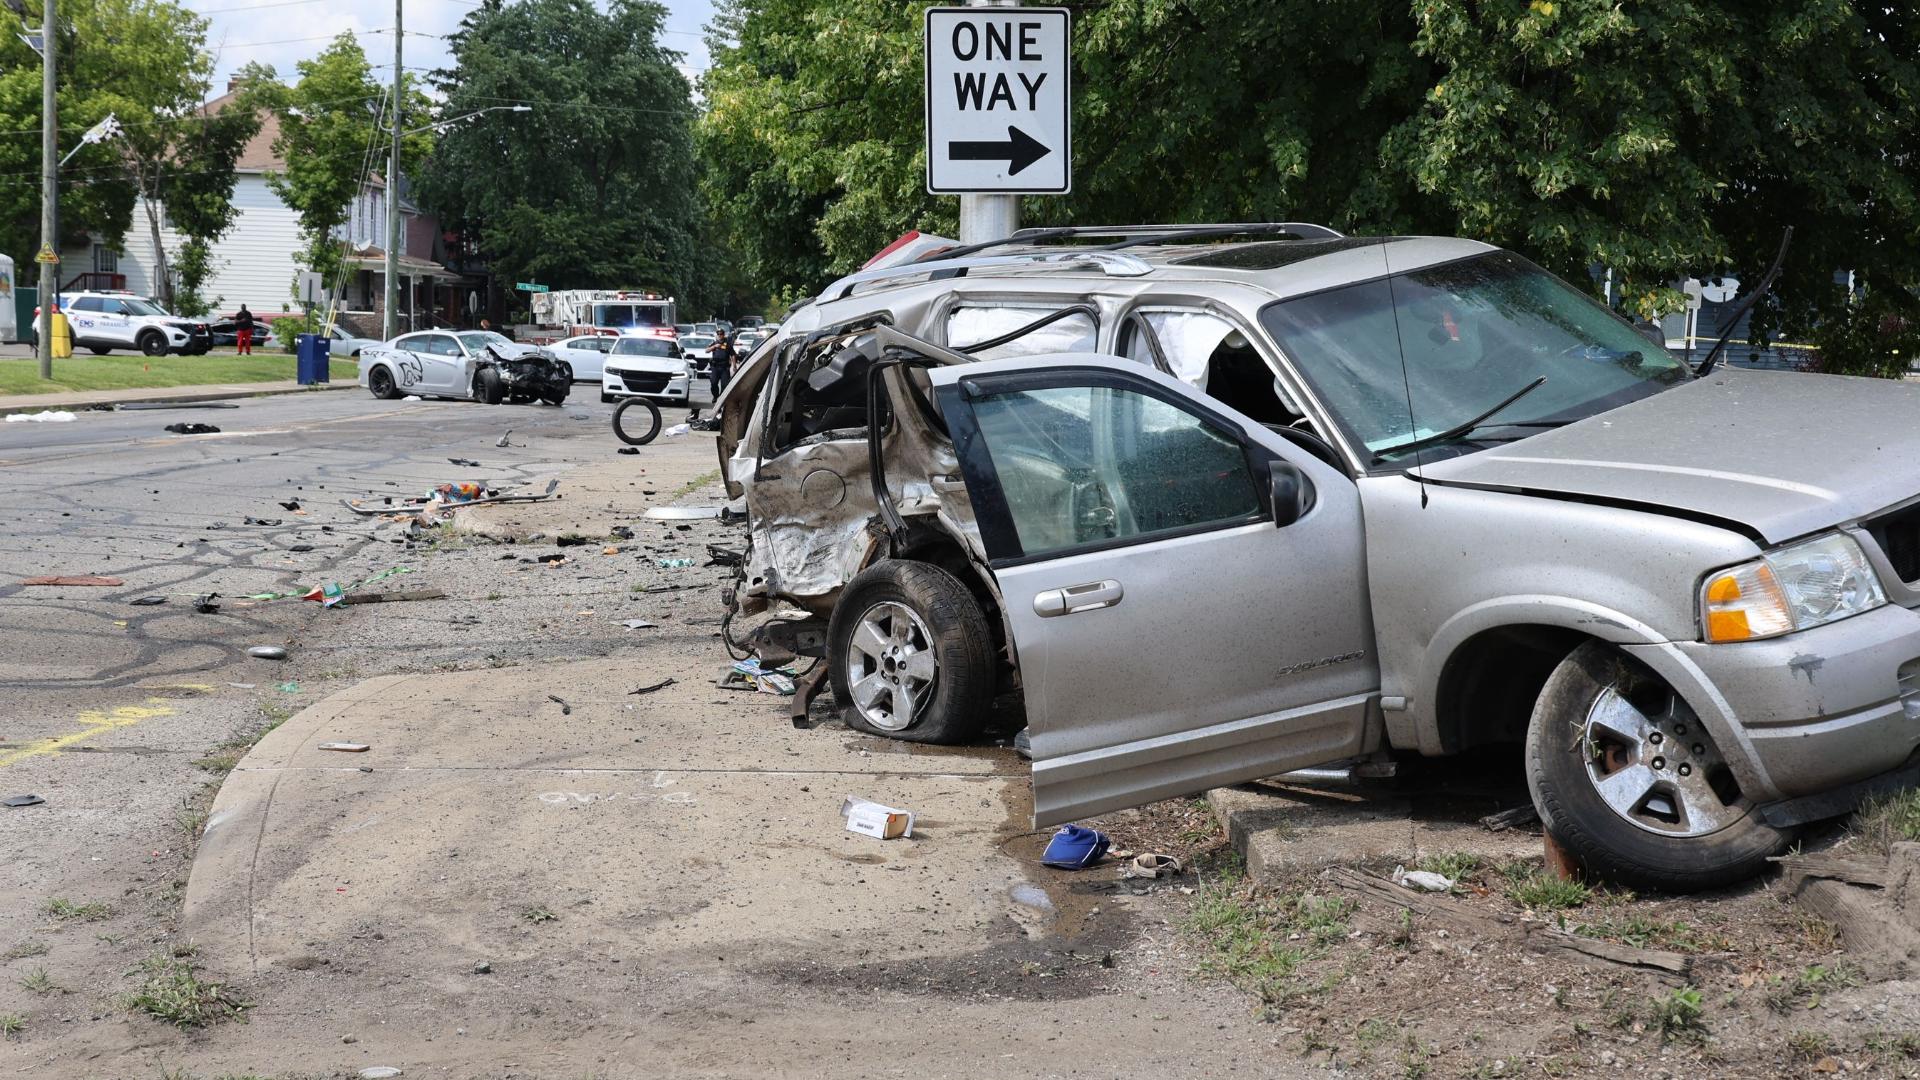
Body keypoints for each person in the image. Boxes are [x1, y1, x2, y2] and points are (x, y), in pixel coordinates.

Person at [707, 331, 736, 401]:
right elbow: (706, 350)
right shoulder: (714, 343)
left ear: (723, 335)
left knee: (725, 385)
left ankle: (721, 398)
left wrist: (734, 365)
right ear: (717, 335)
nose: (720, 335)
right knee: (713, 383)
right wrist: (714, 346)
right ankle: (715, 396)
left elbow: (733, 355)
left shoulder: (728, 344)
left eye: (721, 334)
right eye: (718, 334)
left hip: (724, 367)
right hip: (715, 367)